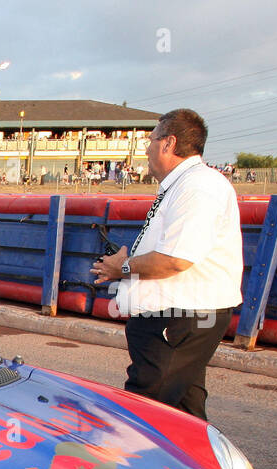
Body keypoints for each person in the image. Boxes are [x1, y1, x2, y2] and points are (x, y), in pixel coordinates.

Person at [90, 108, 241, 421]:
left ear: (169, 143)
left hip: (178, 319)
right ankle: (197, 468)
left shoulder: (198, 187)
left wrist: (123, 268)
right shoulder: (184, 185)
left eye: (150, 140)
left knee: (144, 415)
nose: (146, 149)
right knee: (185, 414)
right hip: (175, 319)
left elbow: (175, 260)